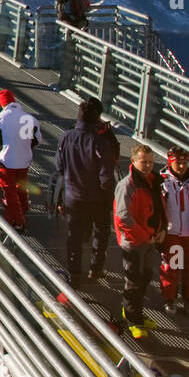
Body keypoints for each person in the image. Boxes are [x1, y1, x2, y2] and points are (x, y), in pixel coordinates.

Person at [55, 97, 120, 288]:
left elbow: (59, 167)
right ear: (98, 117)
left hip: (72, 196)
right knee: (101, 231)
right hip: (97, 198)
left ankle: (74, 274)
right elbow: (106, 174)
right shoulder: (100, 142)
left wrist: (59, 196)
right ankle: (96, 267)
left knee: (73, 236)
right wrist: (106, 195)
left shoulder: (66, 137)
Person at [113, 144, 167, 339]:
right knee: (133, 280)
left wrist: (162, 230)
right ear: (133, 161)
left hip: (149, 238)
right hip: (134, 241)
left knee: (144, 277)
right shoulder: (127, 186)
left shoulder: (152, 182)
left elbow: (160, 207)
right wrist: (147, 236)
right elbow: (123, 218)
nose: (148, 166)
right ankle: (132, 319)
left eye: (151, 162)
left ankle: (134, 313)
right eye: (144, 162)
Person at [0, 88, 40, 231]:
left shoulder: (0, 118)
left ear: (3, 104)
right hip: (25, 160)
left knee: (9, 191)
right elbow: (37, 140)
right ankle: (22, 211)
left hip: (6, 161)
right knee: (21, 188)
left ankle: (18, 221)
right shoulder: (29, 118)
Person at [159, 147, 189, 316]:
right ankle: (169, 298)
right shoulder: (162, 182)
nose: (182, 166)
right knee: (173, 267)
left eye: (185, 162)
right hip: (172, 234)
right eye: (178, 162)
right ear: (170, 162)